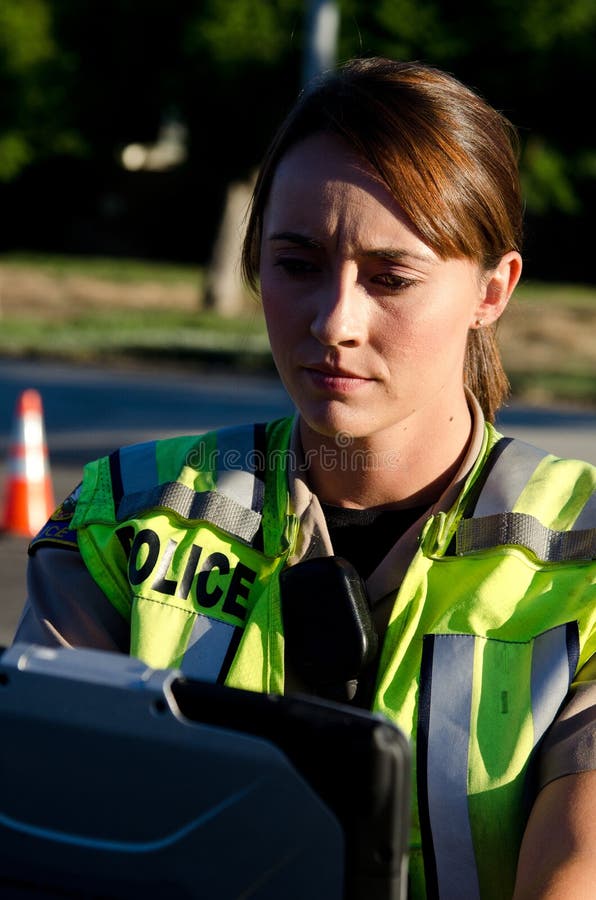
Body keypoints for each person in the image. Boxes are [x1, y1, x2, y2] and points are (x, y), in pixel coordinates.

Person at [13, 58, 596, 898]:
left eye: (392, 277)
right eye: (296, 264)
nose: (334, 321)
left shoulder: (582, 566)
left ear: (492, 291)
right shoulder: (128, 522)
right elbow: (54, 837)